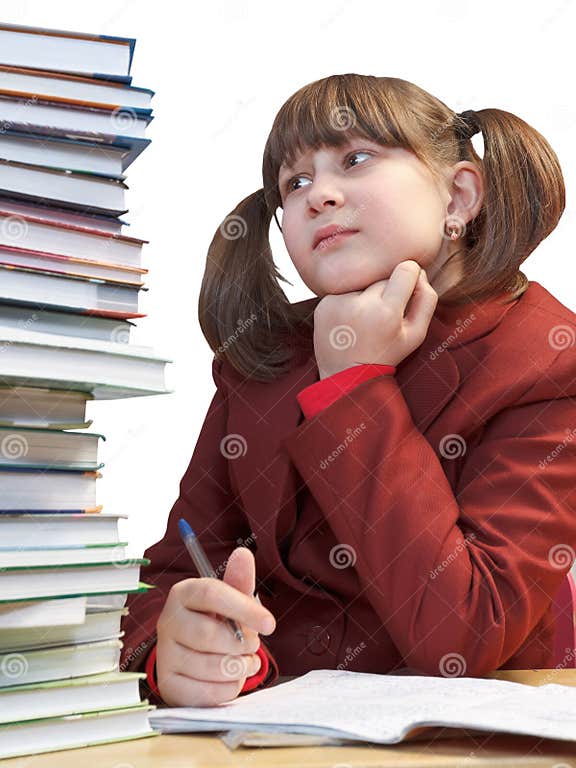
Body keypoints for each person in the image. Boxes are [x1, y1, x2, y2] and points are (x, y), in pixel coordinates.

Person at [120, 73, 576, 708]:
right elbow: (175, 570)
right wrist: (177, 651)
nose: (318, 196)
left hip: (462, 733)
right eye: (294, 183)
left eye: (356, 159)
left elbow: (468, 632)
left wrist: (355, 382)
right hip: (276, 734)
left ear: (458, 197)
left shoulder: (547, 360)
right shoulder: (261, 360)